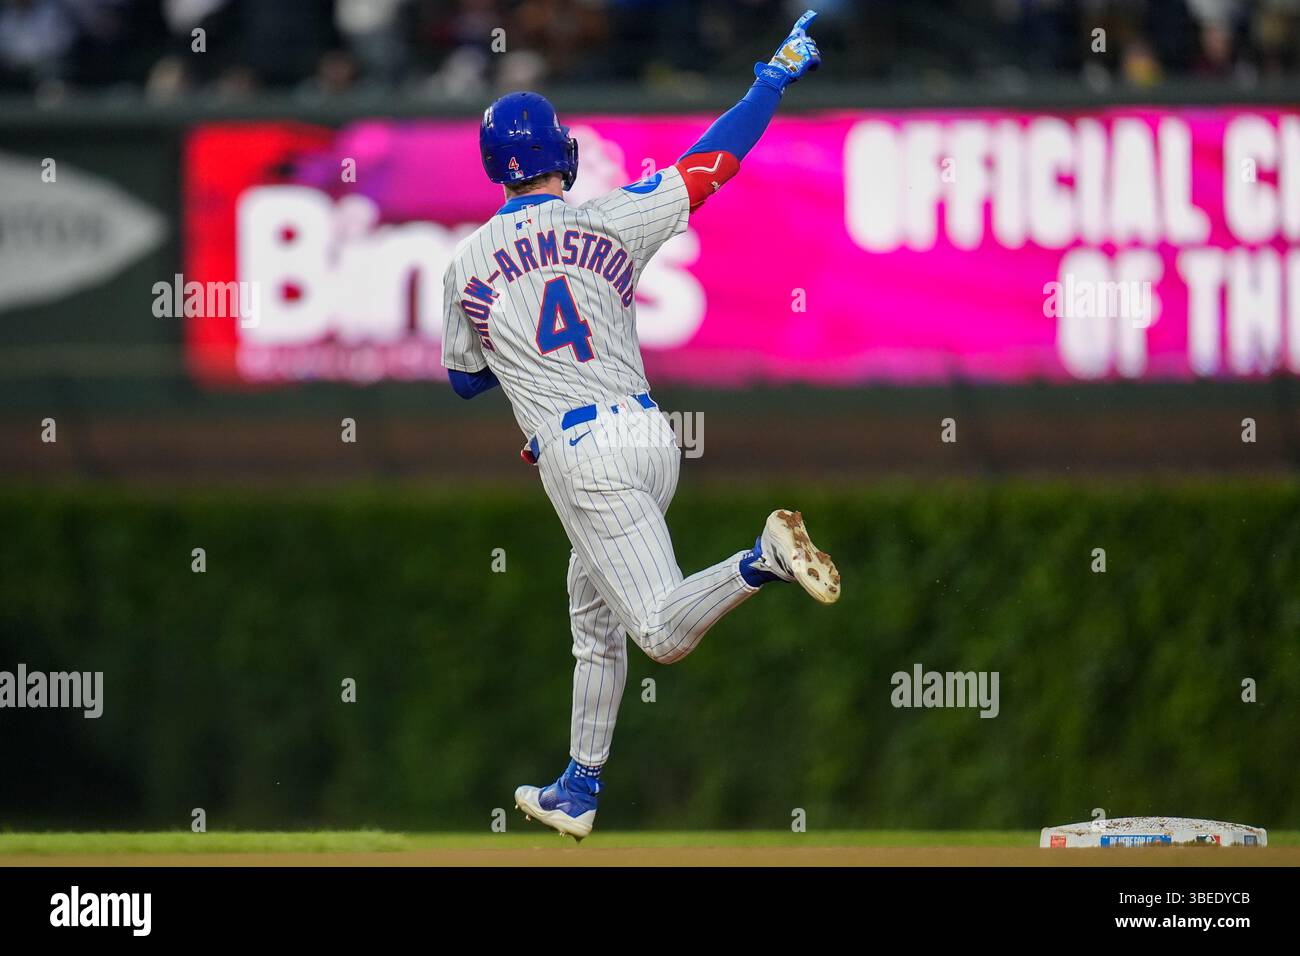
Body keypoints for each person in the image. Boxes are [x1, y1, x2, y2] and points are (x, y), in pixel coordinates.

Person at [441, 10, 836, 840]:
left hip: (582, 457)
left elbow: (463, 379)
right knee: (593, 618)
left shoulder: (468, 259)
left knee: (655, 630)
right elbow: (714, 162)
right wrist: (770, 78)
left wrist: (526, 378)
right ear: (562, 153)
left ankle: (761, 559)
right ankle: (577, 789)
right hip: (652, 438)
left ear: (493, 169)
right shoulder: (610, 217)